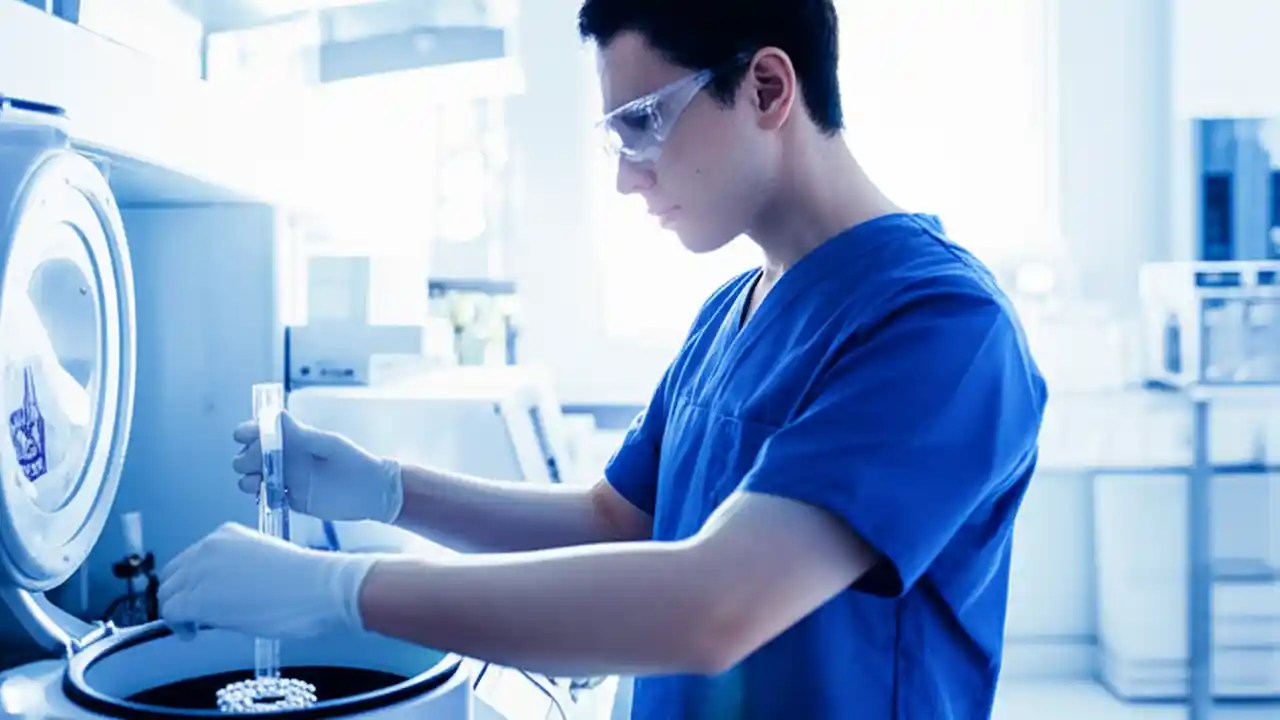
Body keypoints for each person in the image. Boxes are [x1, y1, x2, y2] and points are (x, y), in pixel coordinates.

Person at [158, 1, 1048, 717]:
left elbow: (715, 605)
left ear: (768, 87)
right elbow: (617, 522)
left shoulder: (940, 326)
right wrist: (390, 489)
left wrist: (340, 589)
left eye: (644, 123)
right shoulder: (731, 313)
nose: (628, 174)